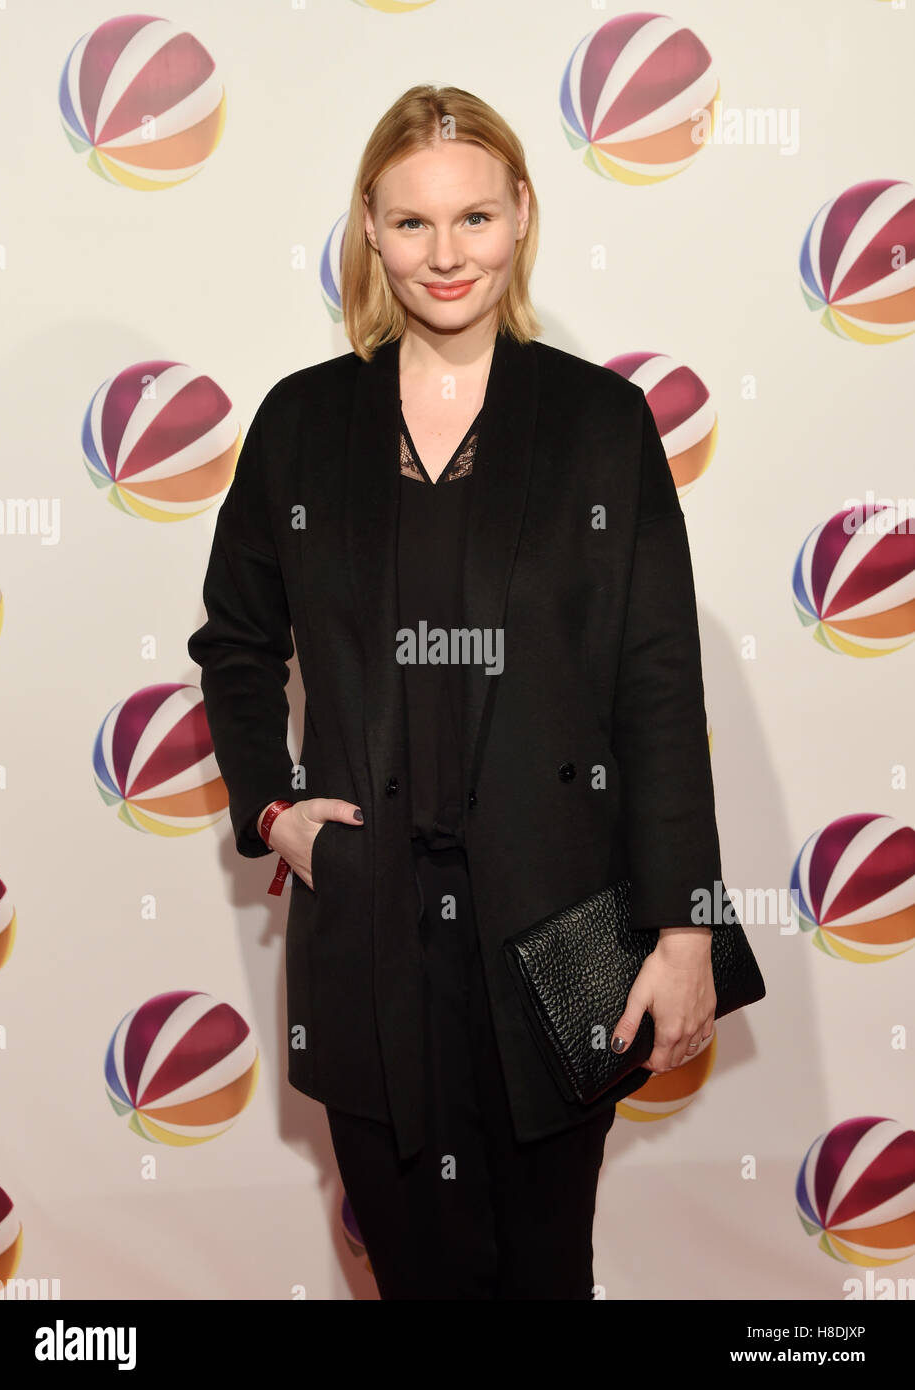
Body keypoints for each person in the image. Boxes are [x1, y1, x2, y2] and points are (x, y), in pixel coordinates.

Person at [187, 84, 722, 1300]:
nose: (446, 253)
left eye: (474, 217)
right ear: (370, 230)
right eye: (414, 222)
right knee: (420, 1278)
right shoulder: (301, 424)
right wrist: (274, 810)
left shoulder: (600, 423)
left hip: (570, 922)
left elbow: (656, 683)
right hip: (370, 920)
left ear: (523, 215)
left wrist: (685, 928)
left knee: (544, 1273)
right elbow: (236, 642)